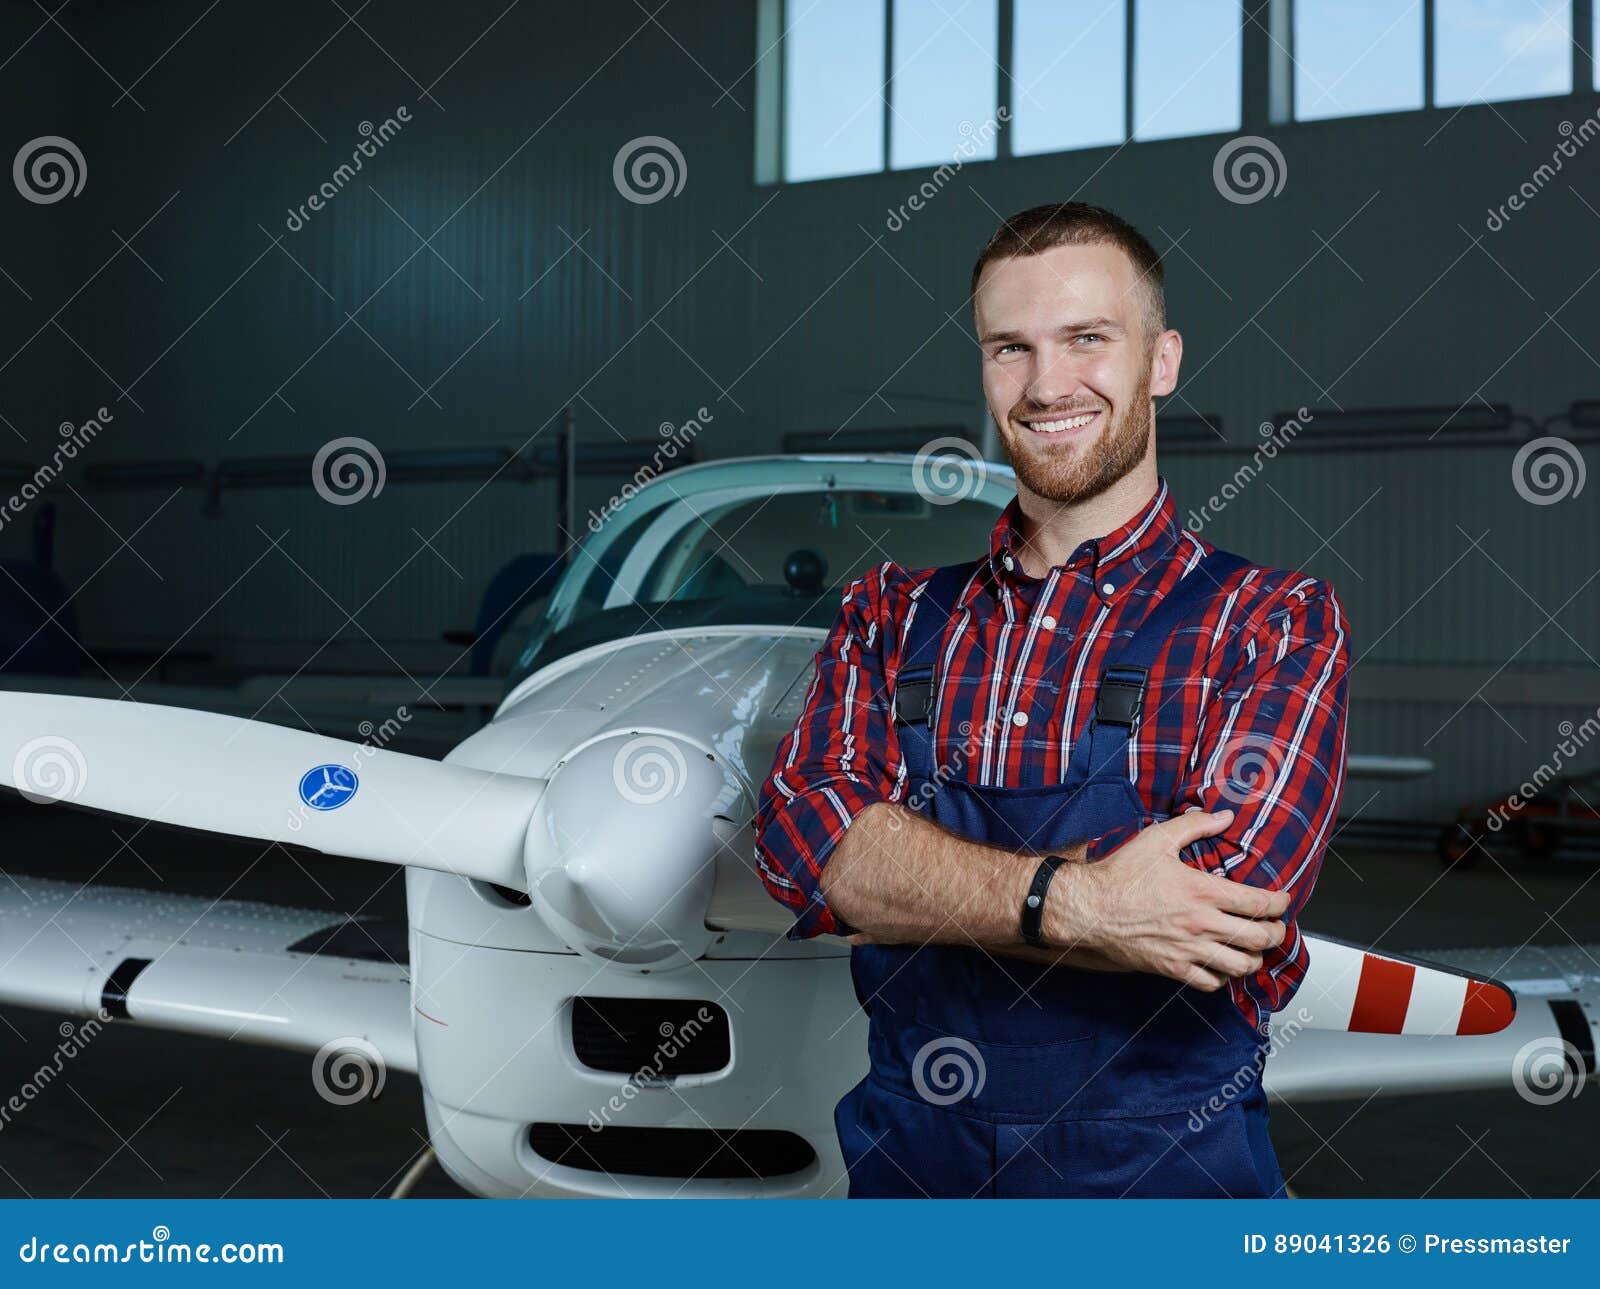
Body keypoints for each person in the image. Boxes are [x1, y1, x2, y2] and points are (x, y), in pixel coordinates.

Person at [754, 202, 1351, 1198]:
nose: (1044, 385)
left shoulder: (1272, 619)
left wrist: (915, 877)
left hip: (1169, 1188)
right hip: (915, 1182)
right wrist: (1074, 900)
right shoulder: (887, 612)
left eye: (1085, 339)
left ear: (1160, 361)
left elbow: (1220, 905)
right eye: (1009, 348)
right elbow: (809, 845)